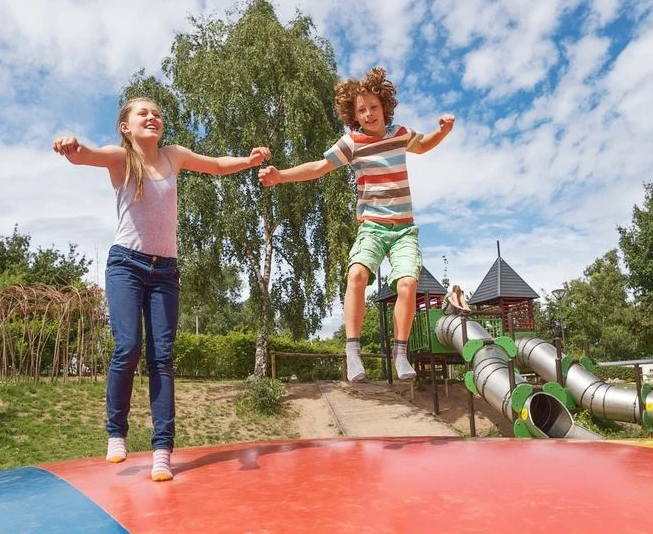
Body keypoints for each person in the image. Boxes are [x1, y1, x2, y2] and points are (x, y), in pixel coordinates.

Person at [52, 97, 270, 481]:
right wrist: (71, 146)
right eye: (143, 114)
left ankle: (161, 450)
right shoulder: (120, 158)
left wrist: (249, 161)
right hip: (126, 265)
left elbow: (217, 166)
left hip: (165, 272)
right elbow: (86, 155)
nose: (152, 118)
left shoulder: (174, 155)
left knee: (162, 358)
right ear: (125, 126)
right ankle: (116, 432)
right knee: (128, 346)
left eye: (157, 114)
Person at [258, 67, 454, 383]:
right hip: (373, 226)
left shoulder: (400, 133)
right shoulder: (352, 142)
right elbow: (319, 168)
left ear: (384, 107)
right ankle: (352, 351)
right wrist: (280, 176)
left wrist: (442, 131)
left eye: (373, 107)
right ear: (353, 114)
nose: (368, 114)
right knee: (357, 274)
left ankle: (400, 353)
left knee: (407, 284)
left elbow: (423, 145)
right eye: (361, 110)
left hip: (404, 228)